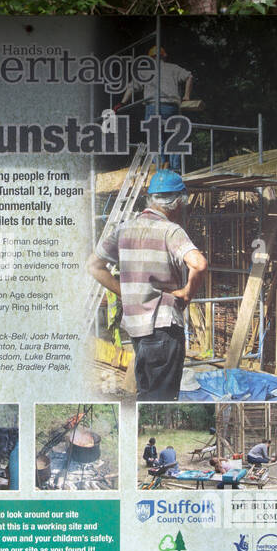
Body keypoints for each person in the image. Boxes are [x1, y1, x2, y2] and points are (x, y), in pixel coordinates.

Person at [89, 170, 208, 401]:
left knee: (147, 393)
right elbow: (199, 264)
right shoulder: (171, 231)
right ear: (177, 203)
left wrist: (125, 292)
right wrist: (186, 293)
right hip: (162, 325)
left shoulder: (123, 229)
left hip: (136, 328)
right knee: (161, 397)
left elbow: (94, 265)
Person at [116, 46, 194, 169]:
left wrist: (122, 103)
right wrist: (186, 96)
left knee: (155, 140)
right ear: (164, 56)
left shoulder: (146, 71)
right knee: (174, 139)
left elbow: (131, 87)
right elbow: (189, 76)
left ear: (150, 58)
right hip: (171, 107)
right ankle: (175, 170)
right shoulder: (173, 68)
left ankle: (158, 171)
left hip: (153, 106)